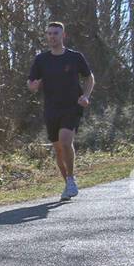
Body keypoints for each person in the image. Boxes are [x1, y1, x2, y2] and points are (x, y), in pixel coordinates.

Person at [27, 21, 95, 200]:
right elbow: (31, 82)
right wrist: (33, 85)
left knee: (65, 141)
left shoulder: (75, 57)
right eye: (49, 33)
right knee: (58, 149)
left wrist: (86, 96)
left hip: (71, 106)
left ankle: (71, 179)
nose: (52, 37)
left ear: (63, 35)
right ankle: (68, 184)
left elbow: (89, 78)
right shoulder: (41, 59)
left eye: (55, 33)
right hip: (51, 109)